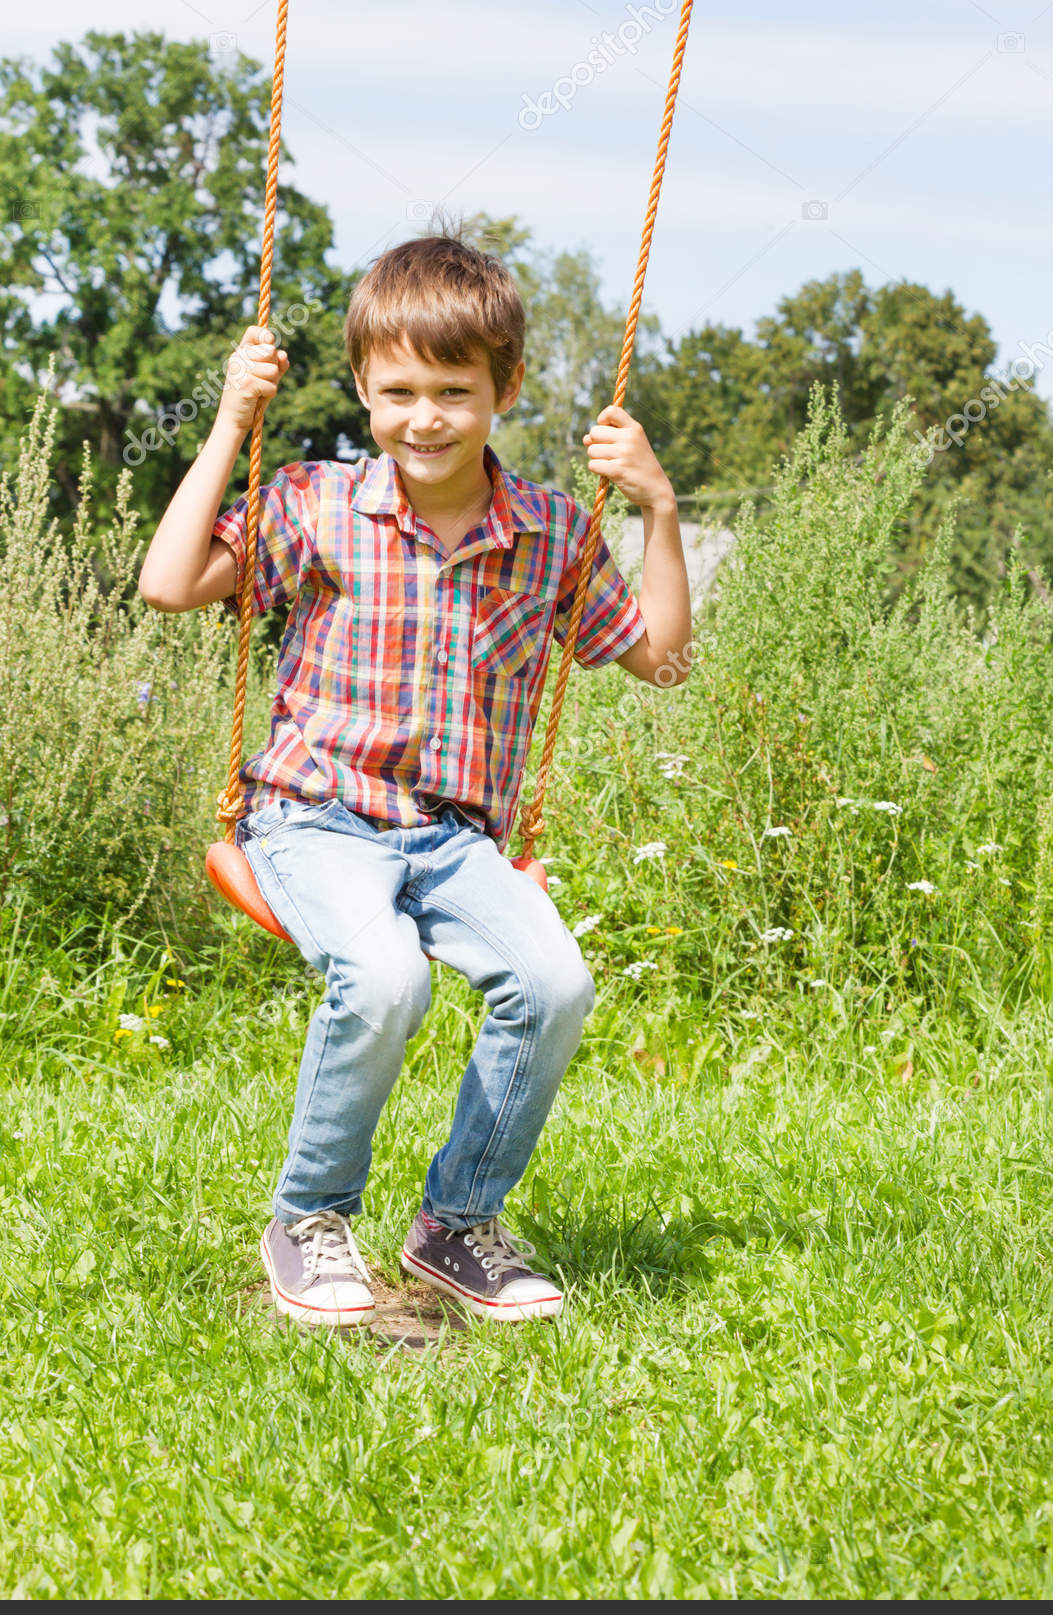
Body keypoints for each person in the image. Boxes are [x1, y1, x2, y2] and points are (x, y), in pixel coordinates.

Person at [139, 234, 691, 1326]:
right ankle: (309, 1217)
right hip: (314, 817)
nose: (423, 417)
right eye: (397, 392)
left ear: (505, 389)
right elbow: (167, 584)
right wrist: (229, 424)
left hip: (451, 838)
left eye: (452, 390)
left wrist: (657, 508)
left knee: (554, 985)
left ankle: (455, 1223)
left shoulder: (550, 533)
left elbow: (662, 659)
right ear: (361, 389)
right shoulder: (315, 502)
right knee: (385, 978)